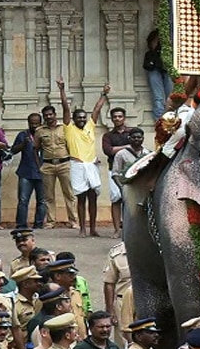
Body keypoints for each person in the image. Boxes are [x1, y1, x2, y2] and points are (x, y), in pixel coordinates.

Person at [58, 79, 110, 237]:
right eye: (78, 118)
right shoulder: (69, 128)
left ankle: (93, 228)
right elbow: (65, 108)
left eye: (83, 117)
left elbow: (97, 109)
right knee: (81, 199)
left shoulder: (89, 126)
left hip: (92, 165)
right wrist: (62, 90)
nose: (81, 119)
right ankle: (82, 228)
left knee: (93, 198)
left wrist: (103, 94)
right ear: (73, 119)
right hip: (77, 166)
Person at [34, 105, 79, 230]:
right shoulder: (40, 131)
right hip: (47, 165)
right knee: (48, 196)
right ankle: (50, 222)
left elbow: (71, 145)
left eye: (50, 114)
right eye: (46, 115)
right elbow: (35, 149)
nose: (49, 117)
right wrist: (39, 165)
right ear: (44, 117)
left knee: (69, 194)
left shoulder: (64, 128)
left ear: (55, 114)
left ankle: (73, 221)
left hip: (64, 164)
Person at [12, 113, 47, 229]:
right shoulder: (23, 135)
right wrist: (23, 144)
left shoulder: (45, 135)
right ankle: (21, 224)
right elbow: (13, 150)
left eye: (36, 123)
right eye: (32, 123)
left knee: (42, 201)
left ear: (41, 123)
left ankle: (39, 224)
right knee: (23, 200)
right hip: (26, 172)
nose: (34, 126)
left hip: (42, 172)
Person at [102, 106, 131, 238]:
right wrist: (126, 147)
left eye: (120, 116)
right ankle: (116, 230)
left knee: (129, 200)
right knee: (116, 199)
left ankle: (128, 229)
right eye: (115, 117)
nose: (117, 119)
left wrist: (116, 149)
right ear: (112, 119)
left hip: (131, 171)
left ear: (124, 118)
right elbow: (108, 151)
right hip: (113, 170)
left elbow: (137, 147)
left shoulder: (131, 133)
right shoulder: (108, 136)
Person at [103, 242, 132, 347]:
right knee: (123, 340)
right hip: (122, 303)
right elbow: (109, 283)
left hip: (147, 301)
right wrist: (110, 310)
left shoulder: (150, 249)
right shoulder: (117, 253)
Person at [144, 30, 173, 121]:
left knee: (171, 96)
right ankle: (159, 121)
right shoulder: (150, 54)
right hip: (154, 70)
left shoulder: (169, 53)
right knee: (158, 97)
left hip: (167, 69)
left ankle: (171, 119)